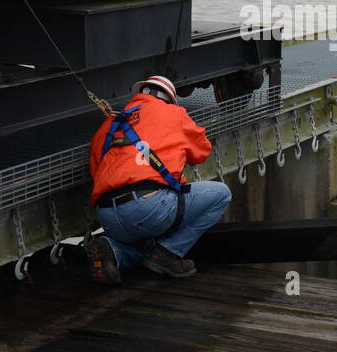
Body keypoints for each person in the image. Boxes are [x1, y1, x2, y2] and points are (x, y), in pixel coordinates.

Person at [84, 76, 232, 283]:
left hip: (108, 216)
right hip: (148, 206)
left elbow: (97, 170)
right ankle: (168, 254)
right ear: (169, 98)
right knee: (221, 194)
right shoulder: (174, 113)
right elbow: (201, 151)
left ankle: (112, 251)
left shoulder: (109, 124)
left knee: (147, 241)